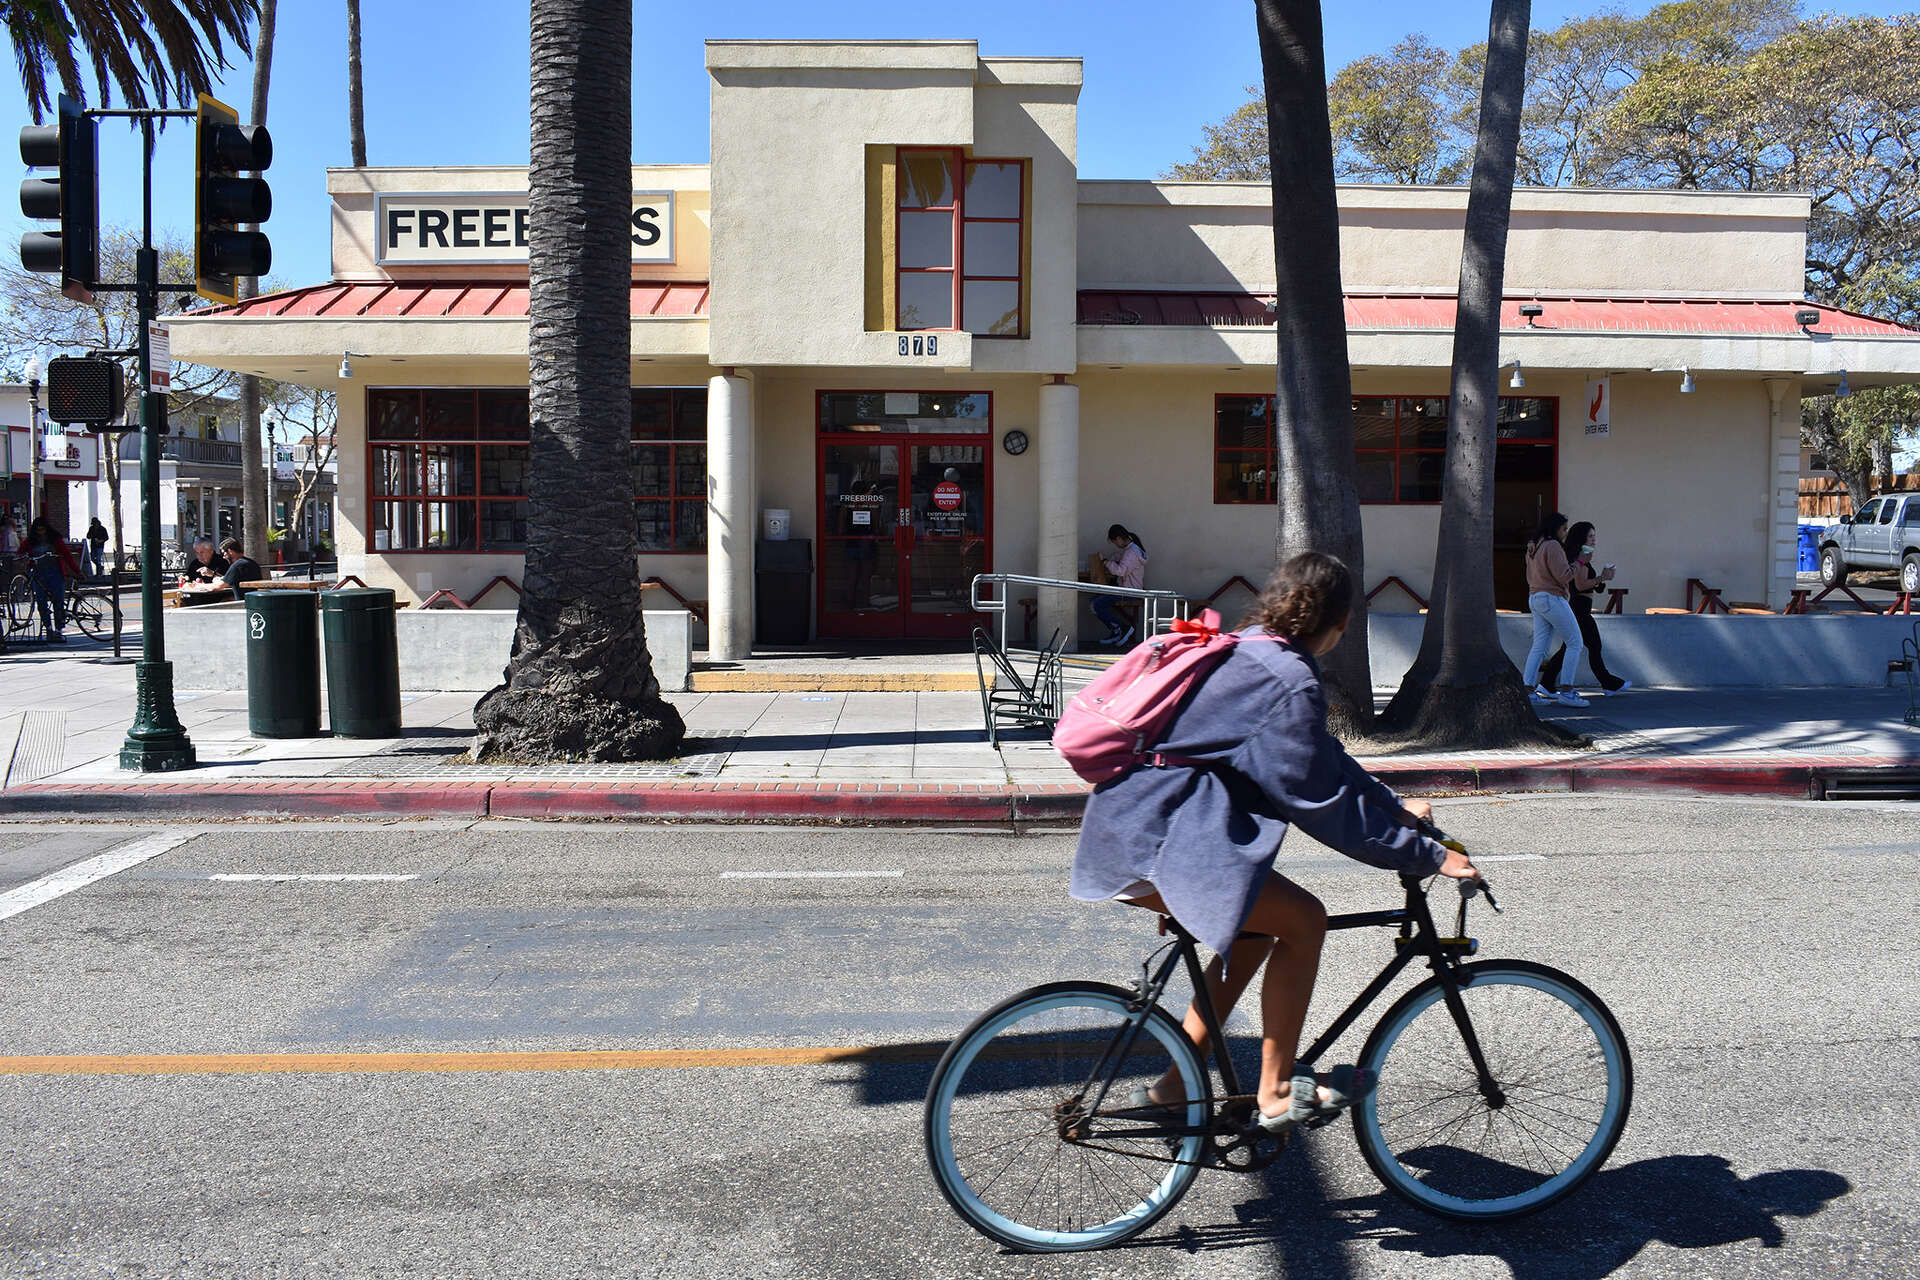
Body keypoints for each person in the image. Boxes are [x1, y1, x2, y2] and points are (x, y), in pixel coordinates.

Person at [1071, 552, 1480, 1133]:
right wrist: (1428, 854)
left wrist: (1393, 808)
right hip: (1161, 841)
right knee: (1306, 920)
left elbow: (1325, 761)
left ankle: (1175, 1086)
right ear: (1338, 625)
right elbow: (1320, 800)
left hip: (1143, 829)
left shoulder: (1249, 649)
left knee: (1258, 933)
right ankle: (1277, 1091)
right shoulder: (1284, 677)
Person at [1540, 521, 1633, 696]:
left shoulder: (1582, 557)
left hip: (1578, 607)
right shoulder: (1579, 558)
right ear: (1581, 538)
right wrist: (1601, 578)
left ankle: (1547, 682)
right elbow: (1581, 585)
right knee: (1592, 645)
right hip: (1579, 607)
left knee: (1572, 646)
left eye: (1594, 536)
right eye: (1590, 536)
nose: (1594, 540)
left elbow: (1586, 584)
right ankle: (1608, 683)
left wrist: (1601, 579)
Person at [1520, 511, 1589, 708]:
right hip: (1552, 598)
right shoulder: (1552, 545)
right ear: (1555, 528)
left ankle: (1528, 690)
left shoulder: (1534, 546)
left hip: (1535, 597)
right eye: (1564, 529)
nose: (1566, 533)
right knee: (1575, 642)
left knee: (1539, 647)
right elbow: (1564, 576)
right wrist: (1581, 561)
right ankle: (1567, 690)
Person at [22, 516, 80, 643]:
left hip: (55, 573)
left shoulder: (55, 540)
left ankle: (59, 630)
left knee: (58, 601)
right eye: (38, 530)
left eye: (43, 529)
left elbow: (67, 556)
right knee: (41, 602)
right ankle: (48, 628)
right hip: (39, 575)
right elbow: (20, 552)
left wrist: (77, 571)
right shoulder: (30, 541)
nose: (40, 532)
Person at [1089, 524, 1148, 646]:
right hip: (1128, 590)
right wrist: (1111, 560)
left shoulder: (1132, 552)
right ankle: (1117, 631)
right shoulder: (1130, 551)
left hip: (1131, 592)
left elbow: (1120, 571)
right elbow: (1120, 559)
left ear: (1119, 538)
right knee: (1094, 601)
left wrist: (1105, 562)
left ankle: (1123, 628)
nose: (1116, 545)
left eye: (1114, 542)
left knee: (1096, 604)